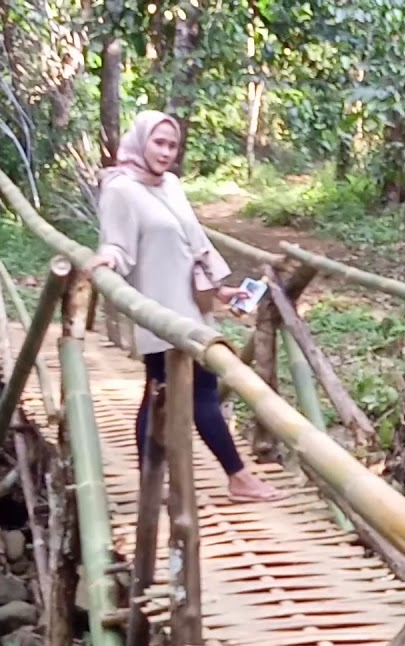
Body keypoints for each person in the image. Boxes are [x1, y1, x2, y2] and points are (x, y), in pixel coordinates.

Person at [87, 110, 285, 504]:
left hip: (191, 307)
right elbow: (117, 244)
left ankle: (153, 480)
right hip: (160, 310)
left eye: (172, 145)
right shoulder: (121, 189)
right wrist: (108, 257)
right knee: (201, 392)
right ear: (140, 141)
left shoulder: (170, 185)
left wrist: (218, 290)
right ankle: (238, 476)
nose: (165, 152)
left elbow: (190, 242)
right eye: (158, 143)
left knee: (160, 391)